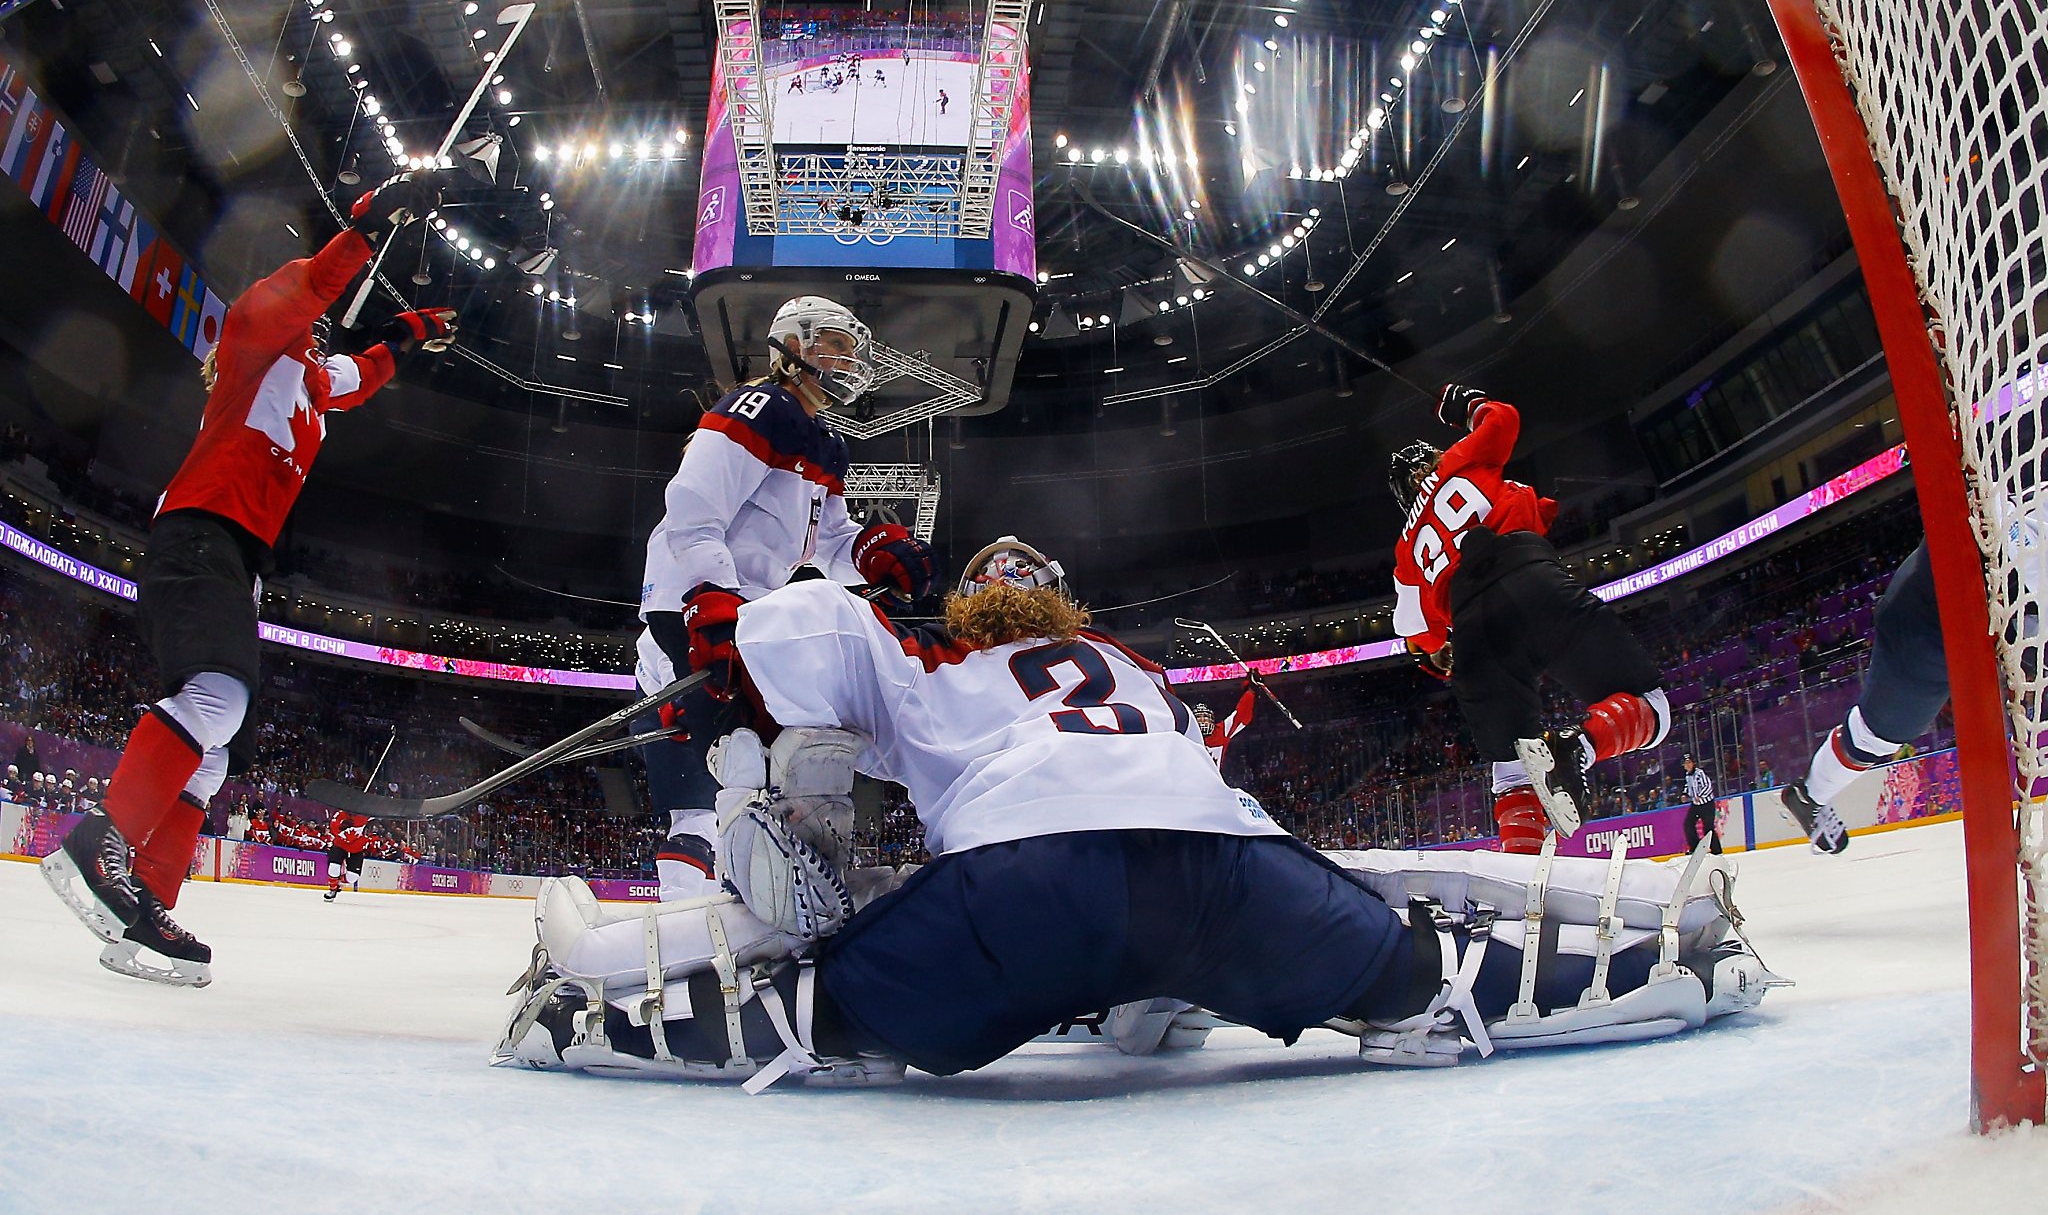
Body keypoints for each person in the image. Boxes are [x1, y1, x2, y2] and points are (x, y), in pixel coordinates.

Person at [494, 537, 1773, 1087]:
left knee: (820, 1008)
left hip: (1019, 898)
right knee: (1410, 972)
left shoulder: (932, 659)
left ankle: (587, 1009)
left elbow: (804, 630)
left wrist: (736, 679)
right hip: (1217, 885)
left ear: (974, 607)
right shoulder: (1136, 670)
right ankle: (1667, 956)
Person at [38, 171, 457, 987]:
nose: (322, 335)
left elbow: (358, 376)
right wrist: (373, 222)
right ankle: (99, 841)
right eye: (316, 328)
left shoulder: (310, 388)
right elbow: (311, 286)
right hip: (201, 531)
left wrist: (409, 333)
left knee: (214, 753)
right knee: (217, 700)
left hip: (237, 559)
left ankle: (143, 907)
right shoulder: (255, 337)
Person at [632, 295, 938, 901]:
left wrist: (876, 551)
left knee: (761, 772)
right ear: (794, 346)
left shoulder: (825, 442)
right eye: (837, 345)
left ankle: (764, 903)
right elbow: (692, 509)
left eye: (854, 350)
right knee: (729, 777)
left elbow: (829, 543)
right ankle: (697, 917)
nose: (850, 360)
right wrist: (708, 600)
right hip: (698, 606)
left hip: (749, 617)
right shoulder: (758, 408)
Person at [1391, 386, 1673, 853]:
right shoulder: (1455, 463)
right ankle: (1578, 747)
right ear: (1432, 461)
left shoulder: (1405, 550)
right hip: (1531, 580)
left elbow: (1419, 637)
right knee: (1654, 708)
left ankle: (1522, 881)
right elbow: (1503, 420)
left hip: (1473, 629)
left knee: (1510, 772)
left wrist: (1439, 654)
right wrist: (1468, 407)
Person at [1781, 538, 1944, 855]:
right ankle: (1809, 796)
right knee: (1875, 736)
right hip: (1929, 626)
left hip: (1942, 600)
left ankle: (1811, 795)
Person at [1192, 679, 1258, 772]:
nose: (1203, 720)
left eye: (1205, 717)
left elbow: (1241, 715)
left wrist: (1250, 691)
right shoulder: (1187, 734)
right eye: (1199, 717)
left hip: (1213, 779)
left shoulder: (1221, 731)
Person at [323, 810, 370, 901]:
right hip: (340, 845)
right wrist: (343, 829)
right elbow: (334, 827)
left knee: (352, 877)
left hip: (357, 849)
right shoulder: (340, 814)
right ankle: (332, 890)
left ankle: (339, 882)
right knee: (334, 867)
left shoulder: (365, 815)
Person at [1681, 752, 1721, 855]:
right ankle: (1695, 847)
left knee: (1708, 828)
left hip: (1707, 804)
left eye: (1689, 762)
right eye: (1686, 763)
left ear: (1693, 763)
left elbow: (1708, 786)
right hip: (1696, 805)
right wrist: (1685, 794)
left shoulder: (1699, 773)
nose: (1688, 765)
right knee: (1688, 824)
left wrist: (1700, 795)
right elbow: (1688, 786)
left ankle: (1716, 851)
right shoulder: (1688, 775)